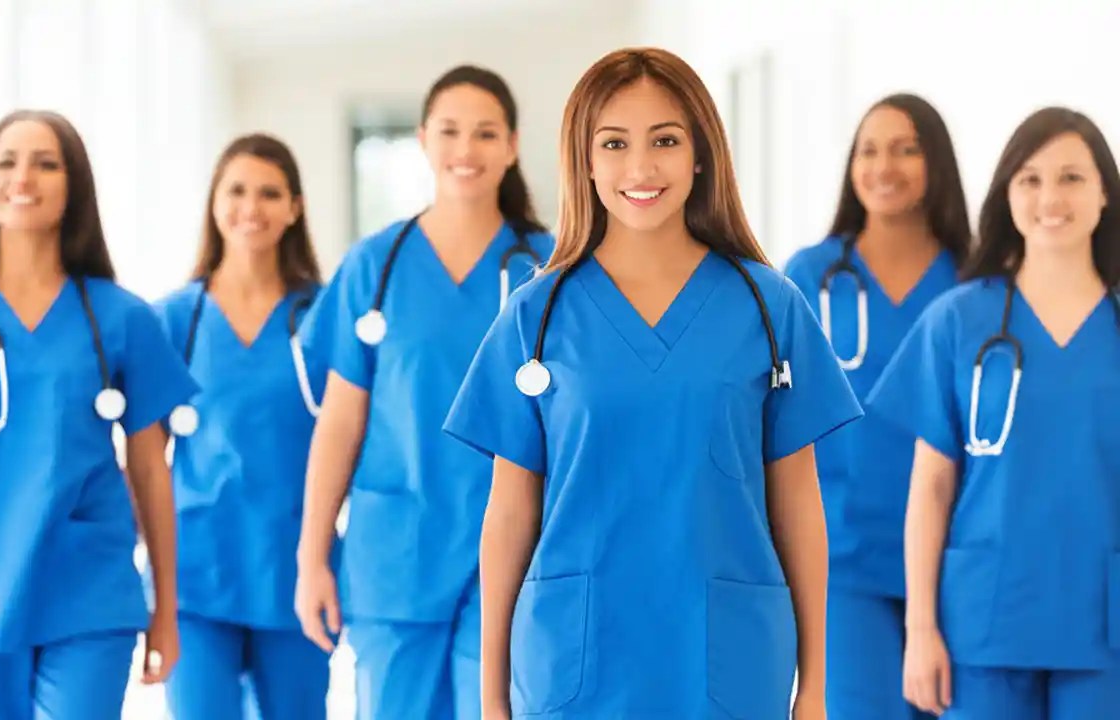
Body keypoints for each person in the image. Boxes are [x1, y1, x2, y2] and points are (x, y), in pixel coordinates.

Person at [443, 47, 862, 720]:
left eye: (665, 140)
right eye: (614, 143)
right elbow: (509, 514)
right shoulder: (536, 314)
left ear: (700, 154)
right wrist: (491, 699)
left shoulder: (769, 306)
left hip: (728, 655)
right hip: (576, 655)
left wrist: (814, 688)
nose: (640, 168)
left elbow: (798, 506)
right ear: (585, 159)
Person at [0, 109, 194, 719]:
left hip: (87, 586)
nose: (25, 176)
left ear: (73, 188)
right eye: (8, 161)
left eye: (47, 163)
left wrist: (166, 608)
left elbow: (151, 472)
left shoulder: (122, 318)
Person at [293, 64, 554, 719]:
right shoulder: (374, 266)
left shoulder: (552, 267)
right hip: (397, 557)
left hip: (519, 548)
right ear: (423, 139)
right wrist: (312, 558)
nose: (466, 150)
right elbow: (340, 424)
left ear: (513, 146)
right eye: (450, 131)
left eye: (486, 133)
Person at [870, 106, 1120, 719]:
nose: (1049, 198)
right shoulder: (959, 322)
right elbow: (930, 487)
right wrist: (921, 629)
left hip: (1103, 621)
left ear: (1105, 194)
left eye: (1071, 178)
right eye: (1029, 179)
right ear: (1006, 193)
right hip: (984, 623)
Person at [783, 93, 971, 719]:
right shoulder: (809, 278)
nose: (884, 165)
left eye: (906, 148)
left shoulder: (974, 284)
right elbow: (773, 419)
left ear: (937, 162)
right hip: (844, 558)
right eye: (869, 149)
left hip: (956, 559)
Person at [154, 133, 332, 719]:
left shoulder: (323, 316)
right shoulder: (176, 319)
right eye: (236, 190)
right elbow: (144, 458)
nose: (250, 207)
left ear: (295, 208)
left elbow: (350, 436)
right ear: (213, 201)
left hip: (296, 566)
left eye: (269, 193)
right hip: (196, 574)